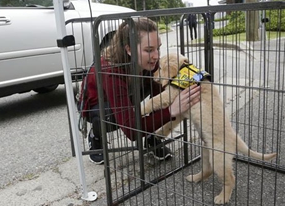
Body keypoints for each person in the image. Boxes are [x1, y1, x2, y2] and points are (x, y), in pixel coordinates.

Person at [80, 17, 201, 164]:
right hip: (100, 105)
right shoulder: (111, 71)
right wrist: (171, 111)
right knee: (110, 116)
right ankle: (96, 137)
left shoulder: (152, 61)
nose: (156, 56)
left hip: (131, 92)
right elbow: (131, 132)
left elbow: (161, 96)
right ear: (129, 49)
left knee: (164, 92)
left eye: (158, 48)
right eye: (149, 50)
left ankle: (153, 138)